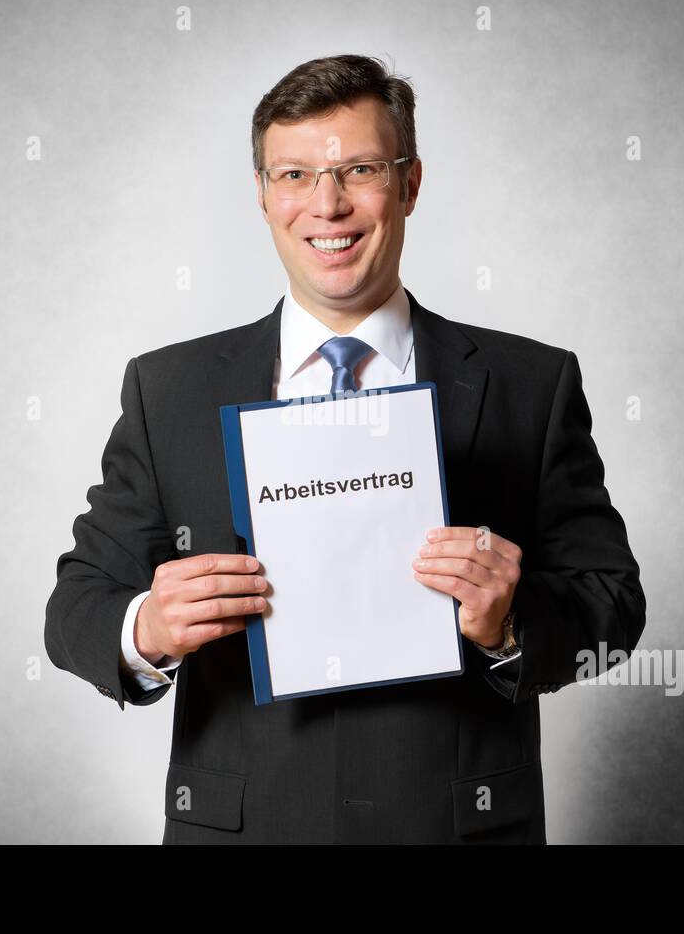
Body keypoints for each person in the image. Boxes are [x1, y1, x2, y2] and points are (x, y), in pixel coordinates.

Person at [44, 54, 645, 843]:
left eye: (358, 169)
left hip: (460, 828)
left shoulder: (532, 384)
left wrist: (510, 622)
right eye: (293, 174)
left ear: (410, 184)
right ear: (262, 194)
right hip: (243, 829)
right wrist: (149, 628)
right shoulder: (169, 390)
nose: (326, 204)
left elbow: (614, 608)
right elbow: (75, 608)